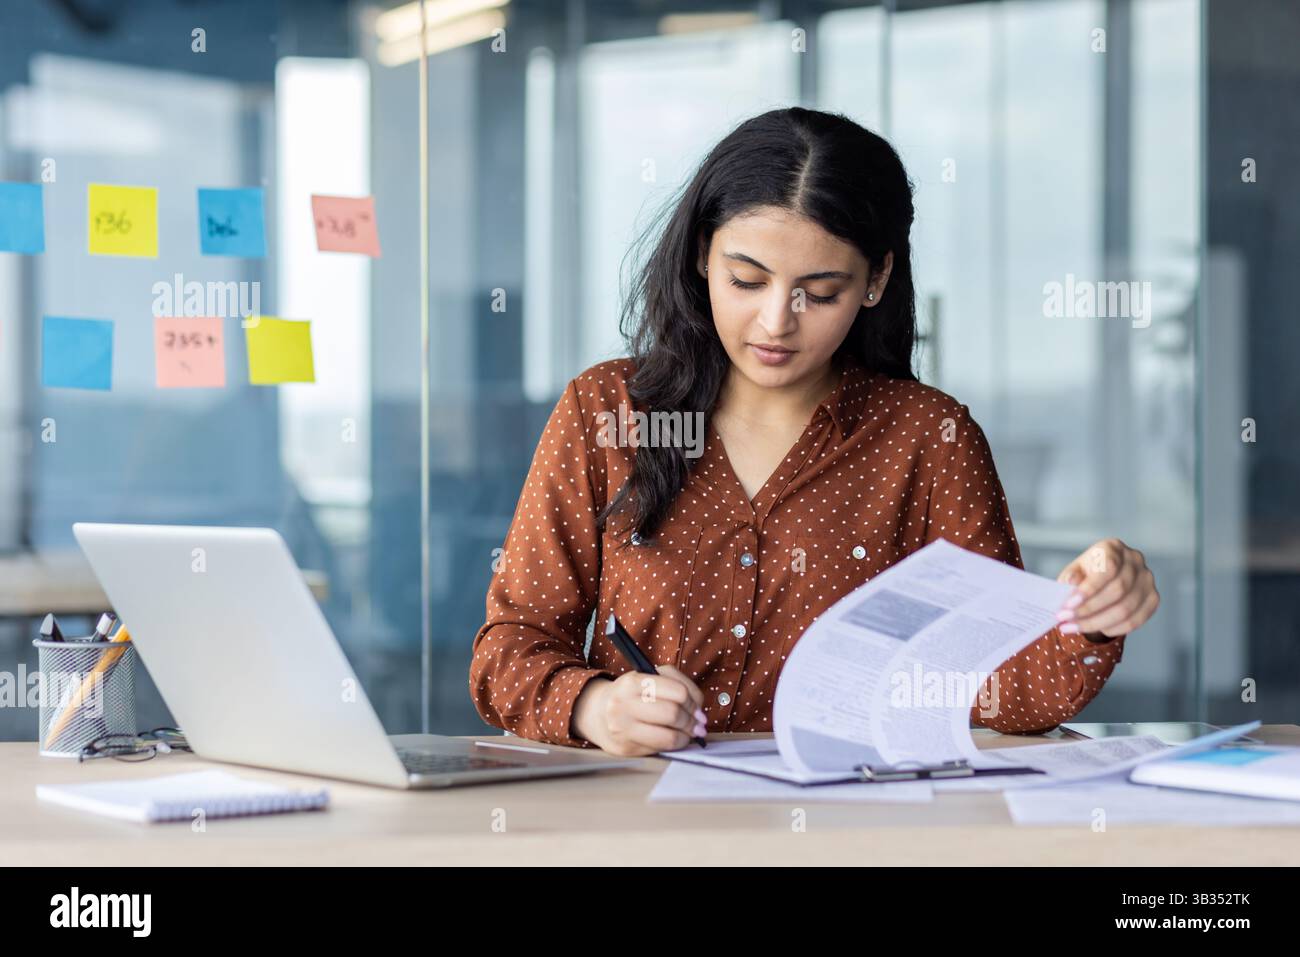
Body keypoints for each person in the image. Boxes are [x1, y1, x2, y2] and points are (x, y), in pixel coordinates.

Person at [470, 106, 1159, 757]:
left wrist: (1086, 615)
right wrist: (596, 706)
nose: (777, 320)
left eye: (820, 292)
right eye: (747, 280)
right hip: (638, 822)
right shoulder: (607, 412)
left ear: (876, 279)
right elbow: (510, 647)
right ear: (703, 257)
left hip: (853, 825)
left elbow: (1001, 687)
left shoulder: (928, 438)